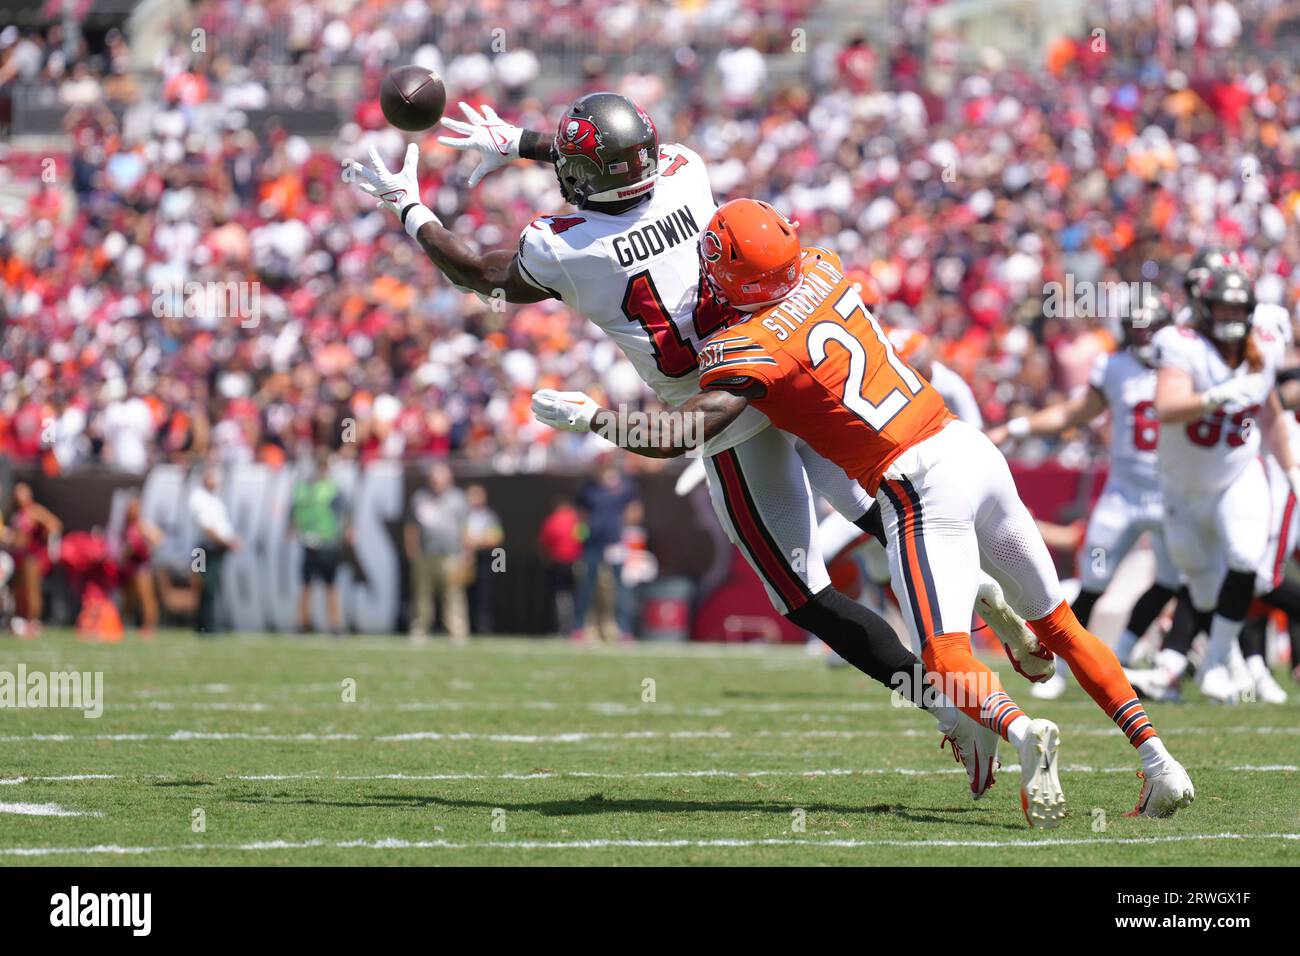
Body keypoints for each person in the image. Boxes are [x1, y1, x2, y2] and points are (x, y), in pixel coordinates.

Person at [349, 93, 1013, 794]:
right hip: (780, 371)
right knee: (886, 518)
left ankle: (947, 704)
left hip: (714, 414)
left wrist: (408, 208)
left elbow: (478, 273)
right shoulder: (689, 172)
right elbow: (624, 168)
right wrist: (522, 141)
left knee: (803, 593)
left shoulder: (563, 247)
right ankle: (982, 589)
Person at [537, 199, 1197, 822]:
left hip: (916, 483)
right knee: (1061, 626)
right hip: (970, 448)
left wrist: (590, 418)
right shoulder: (823, 268)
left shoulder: (747, 351)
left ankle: (1022, 734)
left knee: (943, 659)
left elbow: (680, 434)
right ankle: (1159, 761)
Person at [987, 292, 1183, 698]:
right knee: (1093, 579)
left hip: (1172, 494)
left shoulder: (1186, 365)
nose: (1144, 338)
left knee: (1176, 580)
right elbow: (1073, 414)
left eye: (1151, 329)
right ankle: (1058, 669)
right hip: (1124, 495)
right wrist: (1017, 428)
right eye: (1137, 329)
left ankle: (1128, 655)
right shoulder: (1115, 367)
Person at [1148, 265, 1299, 703]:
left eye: (1238, 305)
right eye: (1223, 304)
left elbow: (1268, 413)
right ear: (1204, 307)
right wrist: (1213, 397)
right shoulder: (1182, 344)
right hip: (1183, 484)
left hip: (1238, 470)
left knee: (1246, 556)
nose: (1231, 313)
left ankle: (1214, 660)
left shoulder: (1263, 346)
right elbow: (1167, 406)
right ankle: (1227, 661)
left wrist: (1290, 471)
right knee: (1201, 582)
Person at [572, 464, 638, 643]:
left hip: (615, 543)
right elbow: (580, 512)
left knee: (620, 588)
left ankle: (625, 631)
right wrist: (586, 529)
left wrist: (619, 529)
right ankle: (578, 628)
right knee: (586, 585)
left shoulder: (624, 486)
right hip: (592, 544)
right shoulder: (587, 488)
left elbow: (634, 511)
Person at [404, 463, 470, 644]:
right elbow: (411, 527)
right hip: (425, 554)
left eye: (439, 479)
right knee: (422, 595)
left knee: (454, 594)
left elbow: (465, 527)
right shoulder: (420, 498)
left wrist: (466, 551)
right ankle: (420, 630)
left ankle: (457, 632)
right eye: (433, 479)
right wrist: (412, 550)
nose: (436, 483)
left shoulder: (458, 498)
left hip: (451, 554)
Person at [291, 449, 351, 635]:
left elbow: (346, 513)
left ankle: (335, 624)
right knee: (306, 585)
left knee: (330, 585)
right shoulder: (304, 488)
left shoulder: (332, 488)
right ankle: (303, 622)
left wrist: (347, 530)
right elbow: (295, 511)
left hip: (328, 542)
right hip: (309, 542)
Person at [188, 464, 240, 635]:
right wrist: (227, 542)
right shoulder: (199, 497)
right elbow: (207, 528)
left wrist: (230, 540)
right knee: (204, 585)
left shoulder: (213, 498)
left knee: (212, 585)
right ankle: (205, 625)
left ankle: (206, 624)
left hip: (214, 549)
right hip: (202, 550)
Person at [8, 482, 61, 638]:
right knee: (19, 592)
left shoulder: (34, 510)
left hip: (32, 556)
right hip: (18, 557)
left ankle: (34, 622)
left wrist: (46, 538)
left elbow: (54, 524)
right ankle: (21, 621)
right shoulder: (17, 513)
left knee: (33, 591)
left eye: (23, 492)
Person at [120, 496, 163, 637]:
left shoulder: (141, 526)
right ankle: (123, 625)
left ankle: (149, 628)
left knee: (147, 599)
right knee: (128, 601)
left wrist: (148, 546)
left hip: (141, 569)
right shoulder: (126, 526)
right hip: (129, 569)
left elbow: (158, 538)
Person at [538, 496, 582, 635]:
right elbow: (584, 537)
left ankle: (563, 626)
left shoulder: (552, 520)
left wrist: (546, 557)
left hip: (559, 563)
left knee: (561, 595)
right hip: (576, 562)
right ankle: (575, 626)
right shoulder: (576, 521)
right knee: (576, 594)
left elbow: (544, 542)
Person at [464, 484, 504, 634]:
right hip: (465, 559)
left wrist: (476, 542)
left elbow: (497, 539)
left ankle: (484, 627)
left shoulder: (490, 515)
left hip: (486, 560)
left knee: (485, 595)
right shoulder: (462, 514)